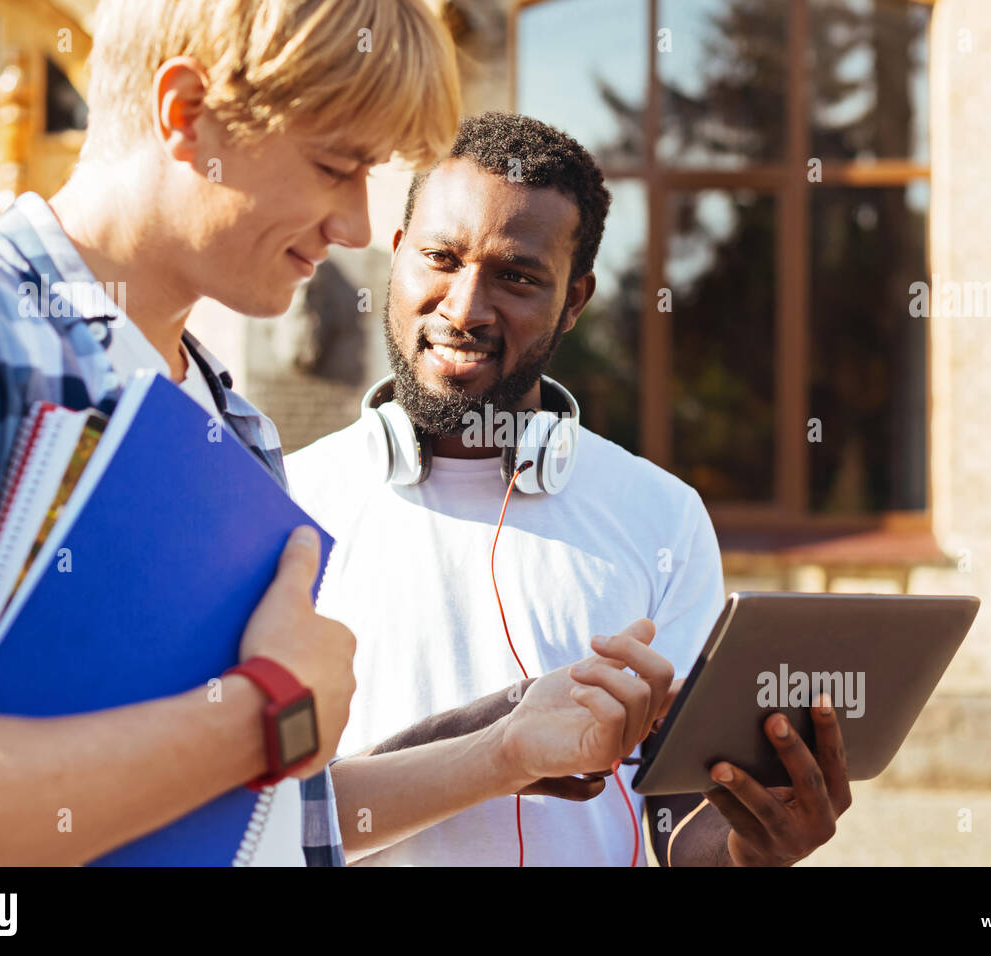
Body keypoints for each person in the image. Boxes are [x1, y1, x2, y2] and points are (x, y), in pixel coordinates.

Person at [0, 0, 658, 867]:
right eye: (333, 166)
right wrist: (268, 714)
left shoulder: (237, 432)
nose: (357, 226)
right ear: (184, 113)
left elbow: (277, 825)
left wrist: (504, 751)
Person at [286, 112, 854, 866]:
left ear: (575, 302)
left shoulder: (663, 517)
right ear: (397, 257)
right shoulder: (287, 502)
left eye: (517, 277)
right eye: (441, 258)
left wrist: (753, 847)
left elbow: (681, 822)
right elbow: (261, 825)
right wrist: (499, 751)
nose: (464, 307)